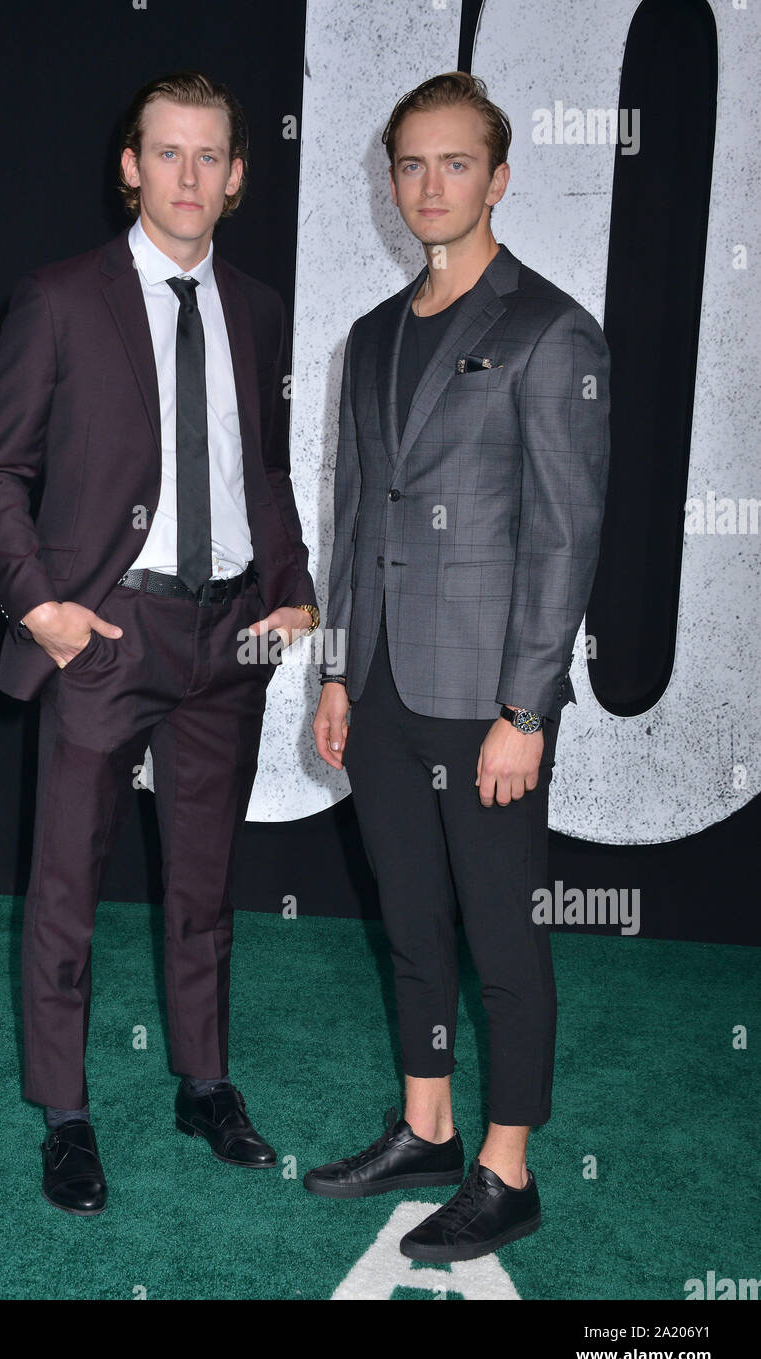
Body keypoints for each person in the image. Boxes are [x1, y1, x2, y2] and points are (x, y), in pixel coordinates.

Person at [0, 71, 318, 1215]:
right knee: (65, 883)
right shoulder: (62, 297)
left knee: (205, 886)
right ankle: (66, 1115)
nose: (188, 177)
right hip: (107, 634)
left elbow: (262, 468)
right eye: (167, 153)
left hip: (225, 637)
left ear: (238, 177)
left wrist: (293, 586)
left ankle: (203, 1082)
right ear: (131, 164)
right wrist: (42, 607)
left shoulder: (258, 308)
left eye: (210, 157)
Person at [308, 72, 610, 1262]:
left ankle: (507, 1167)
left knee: (501, 934)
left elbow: (565, 535)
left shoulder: (549, 329)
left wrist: (525, 707)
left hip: (489, 697)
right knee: (410, 916)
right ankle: (426, 1126)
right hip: (381, 682)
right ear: (390, 180)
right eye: (409, 165)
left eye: (454, 164)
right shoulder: (371, 335)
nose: (429, 186)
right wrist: (336, 671)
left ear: (497, 176)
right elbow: (350, 516)